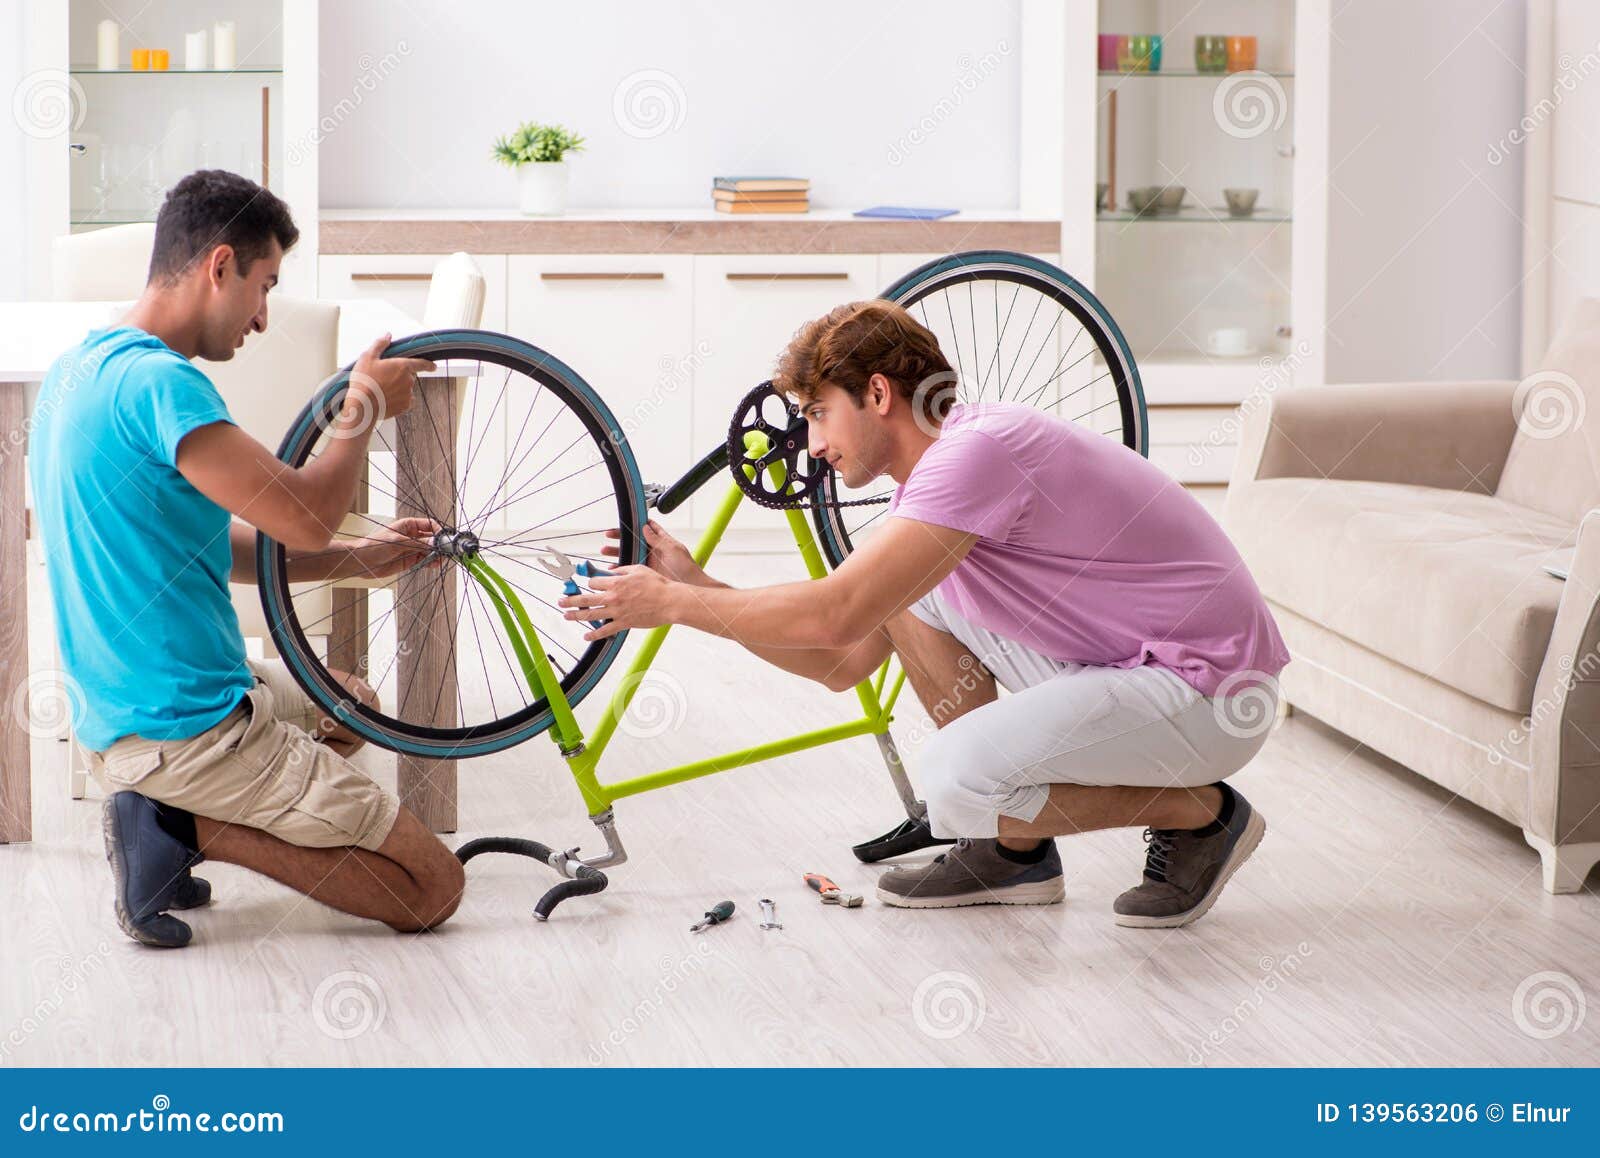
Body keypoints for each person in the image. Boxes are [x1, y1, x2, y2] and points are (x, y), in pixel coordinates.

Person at [561, 300, 1291, 924]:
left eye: (819, 413)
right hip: (1135, 668)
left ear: (877, 394)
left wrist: (677, 605)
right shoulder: (938, 480)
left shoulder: (977, 454)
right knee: (910, 597)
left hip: (1211, 694)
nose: (813, 445)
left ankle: (1203, 814)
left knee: (952, 784)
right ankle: (1014, 857)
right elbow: (842, 662)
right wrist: (694, 584)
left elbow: (835, 616)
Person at [30, 169, 465, 948]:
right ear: (218, 265)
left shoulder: (78, 371)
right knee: (433, 889)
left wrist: (354, 562)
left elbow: (206, 545)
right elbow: (303, 514)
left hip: (123, 712)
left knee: (351, 699)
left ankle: (164, 808)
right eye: (263, 285)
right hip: (185, 730)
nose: (263, 318)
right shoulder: (165, 387)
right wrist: (359, 407)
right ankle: (178, 822)